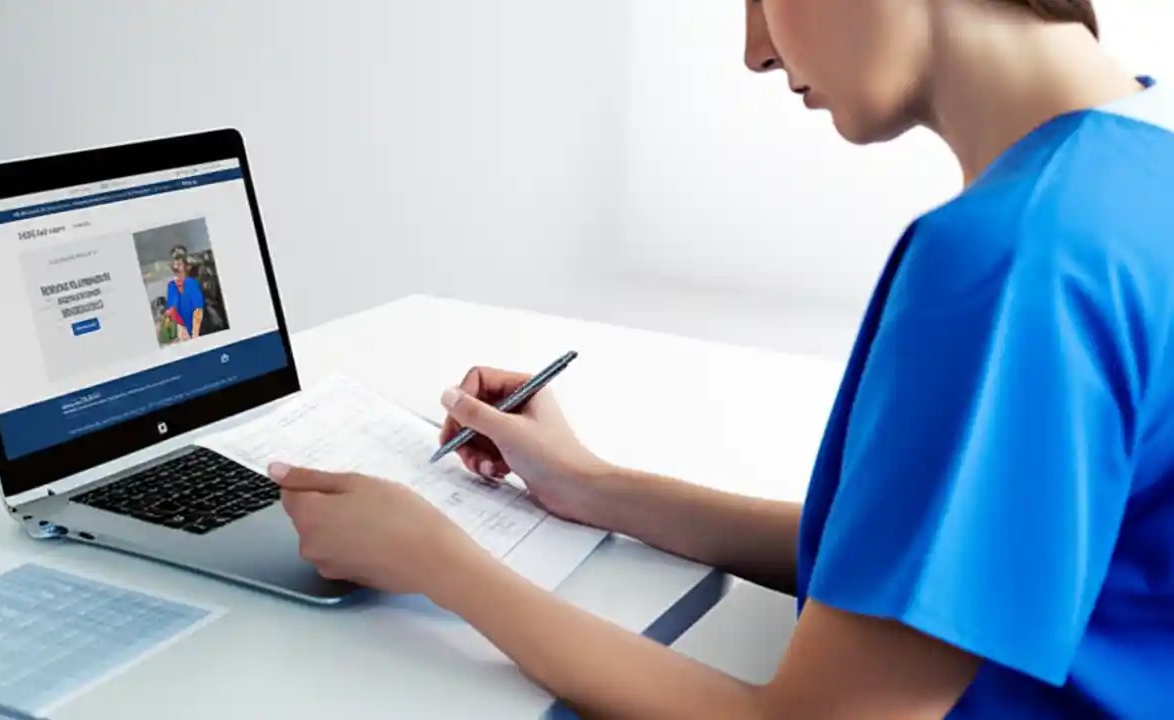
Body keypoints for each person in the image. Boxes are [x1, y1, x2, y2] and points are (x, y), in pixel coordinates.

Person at [268, 1, 1174, 716]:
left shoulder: (1011, 257)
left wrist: (438, 563)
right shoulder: (1134, 179)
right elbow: (918, 563)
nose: (755, 51)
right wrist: (591, 486)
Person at [165, 245, 204, 342]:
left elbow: (198, 310)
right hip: (181, 336)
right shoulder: (171, 286)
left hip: (196, 333)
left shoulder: (192, 284)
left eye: (179, 264)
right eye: (174, 264)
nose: (176, 267)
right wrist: (180, 329)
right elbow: (171, 310)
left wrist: (195, 335)